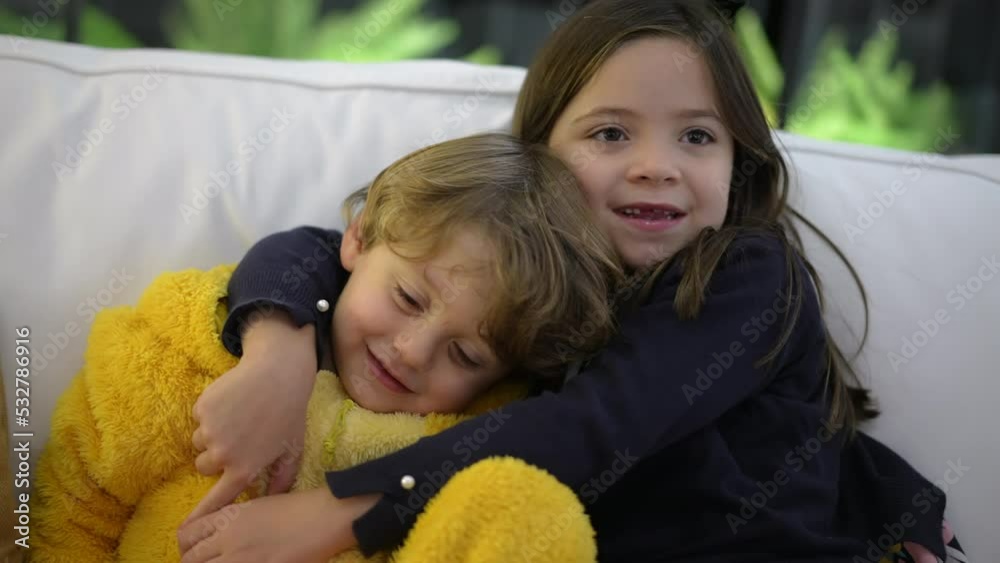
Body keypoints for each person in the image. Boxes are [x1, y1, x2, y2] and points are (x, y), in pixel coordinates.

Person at [179, 1, 963, 562]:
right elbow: (335, 251)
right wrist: (277, 352)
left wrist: (339, 510)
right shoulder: (530, 281)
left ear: (738, 164)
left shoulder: (748, 275)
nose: (656, 164)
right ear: (541, 153)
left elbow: (600, 423)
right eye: (612, 132)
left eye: (697, 136)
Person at [31, 133, 621, 563]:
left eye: (466, 356)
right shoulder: (192, 355)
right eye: (408, 298)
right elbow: (78, 505)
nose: (412, 351)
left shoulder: (476, 448)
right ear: (359, 238)